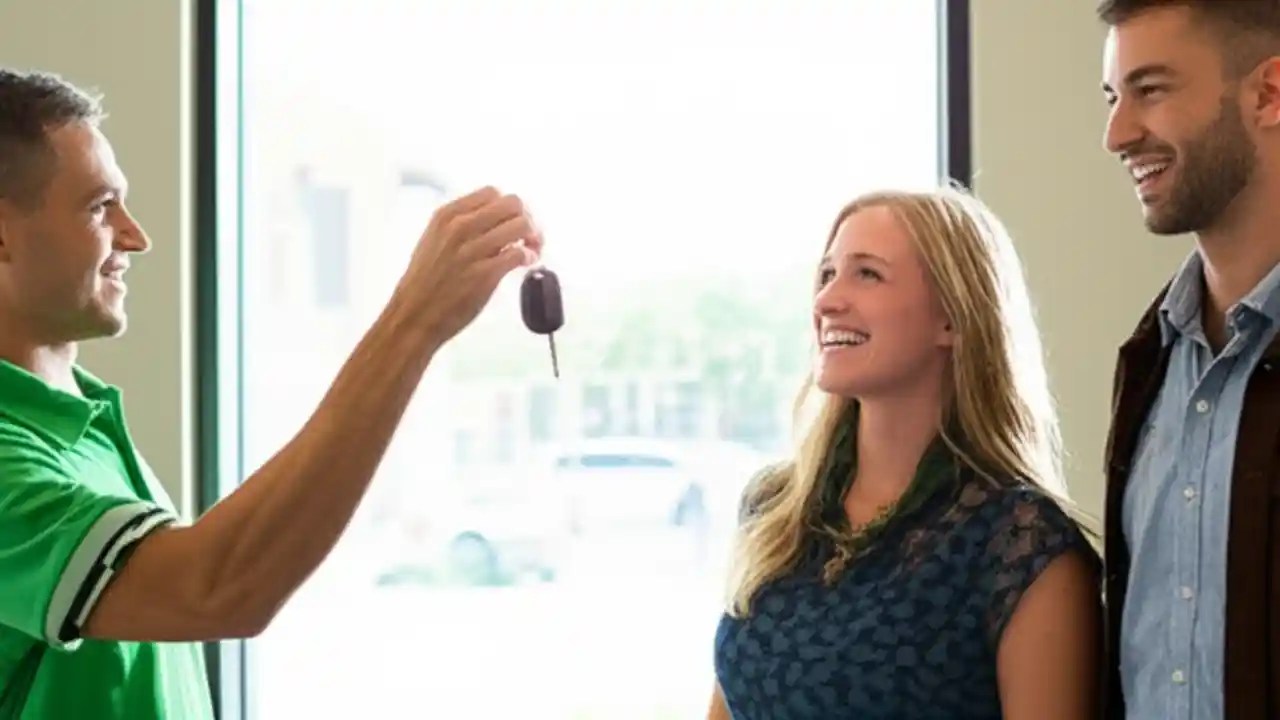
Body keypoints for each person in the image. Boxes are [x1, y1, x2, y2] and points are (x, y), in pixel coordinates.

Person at [0, 68, 542, 719]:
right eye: (98, 207)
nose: (135, 236)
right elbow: (216, 588)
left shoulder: (81, 424)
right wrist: (414, 323)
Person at [706, 187, 1102, 720]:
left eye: (866, 274)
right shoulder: (773, 507)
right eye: (827, 274)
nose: (827, 301)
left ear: (953, 320)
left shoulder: (1021, 542)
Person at [1096, 2, 1280, 718]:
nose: (1117, 134)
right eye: (1114, 97)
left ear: (1268, 93)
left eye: (1153, 89)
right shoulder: (1148, 362)